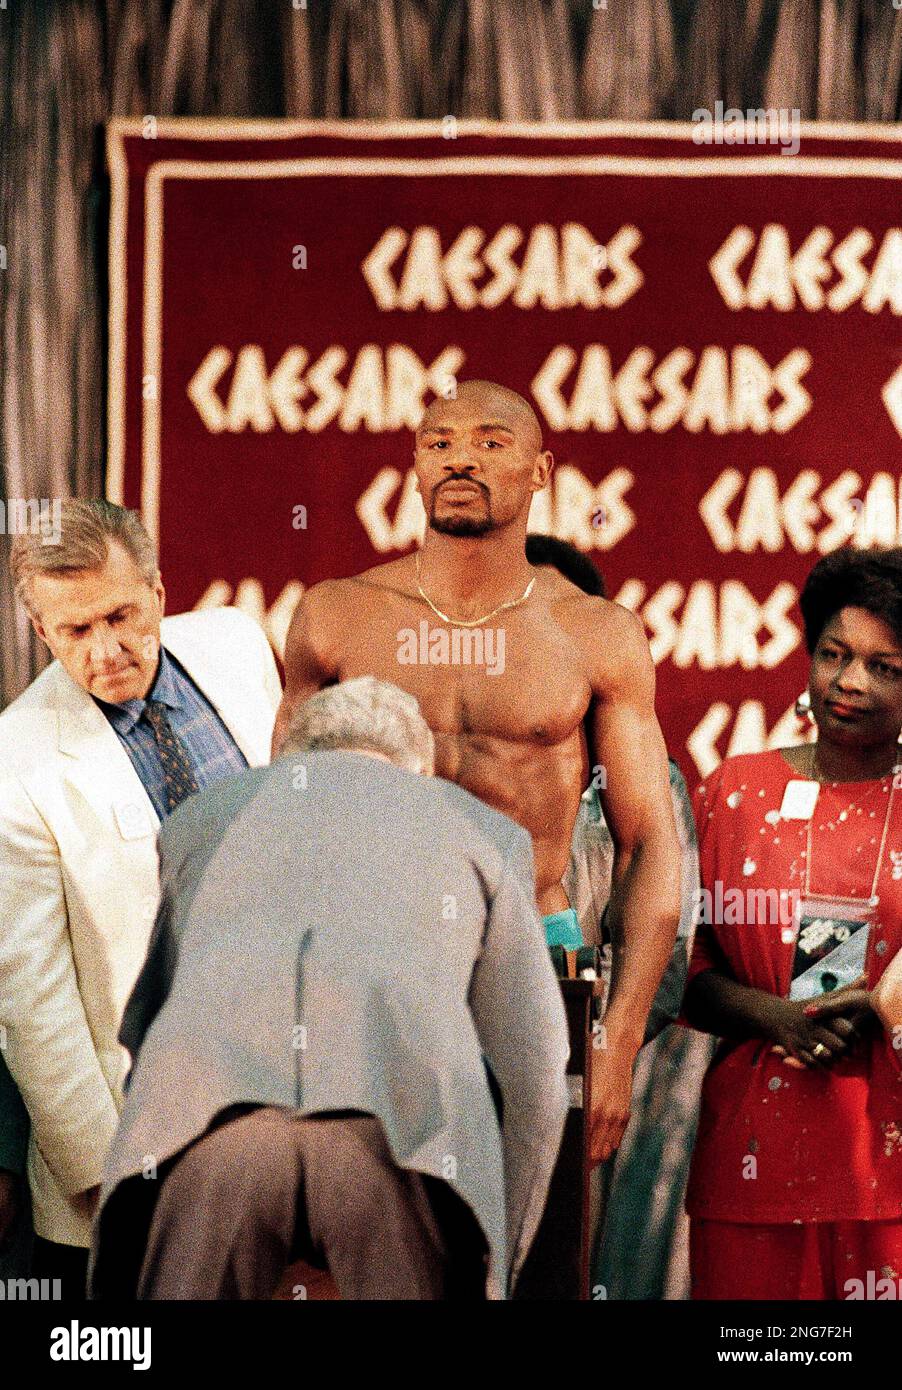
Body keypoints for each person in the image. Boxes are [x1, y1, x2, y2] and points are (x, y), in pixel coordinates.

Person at [274, 380, 682, 1164]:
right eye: (439, 443)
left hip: (538, 955)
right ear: (415, 468)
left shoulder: (592, 631)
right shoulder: (336, 614)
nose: (461, 458)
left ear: (540, 472)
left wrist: (619, 1042)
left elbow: (650, 846)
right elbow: (287, 827)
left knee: (539, 1246)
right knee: (377, 1246)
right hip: (375, 961)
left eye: (492, 443)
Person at [88, 677, 570, 1301]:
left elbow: (148, 1026)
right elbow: (537, 1073)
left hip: (210, 1141)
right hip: (399, 1151)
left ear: (286, 760)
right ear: (418, 769)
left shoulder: (202, 821)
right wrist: (498, 1258)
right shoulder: (481, 831)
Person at [0, 499, 281, 1295]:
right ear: (40, 629)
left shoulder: (234, 642)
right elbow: (31, 1000)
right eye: (74, 631)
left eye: (122, 615)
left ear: (158, 591)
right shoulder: (15, 759)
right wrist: (105, 1180)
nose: (107, 649)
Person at [682, 546, 902, 1300]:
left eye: (886, 668)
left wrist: (884, 1004)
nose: (850, 682)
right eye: (835, 655)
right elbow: (678, 964)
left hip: (890, 1164)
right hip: (751, 1160)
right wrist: (775, 1016)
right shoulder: (736, 792)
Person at [528, 533, 707, 1300]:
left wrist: (603, 1051)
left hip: (606, 1077)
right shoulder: (448, 753)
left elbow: (666, 957)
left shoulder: (641, 777)